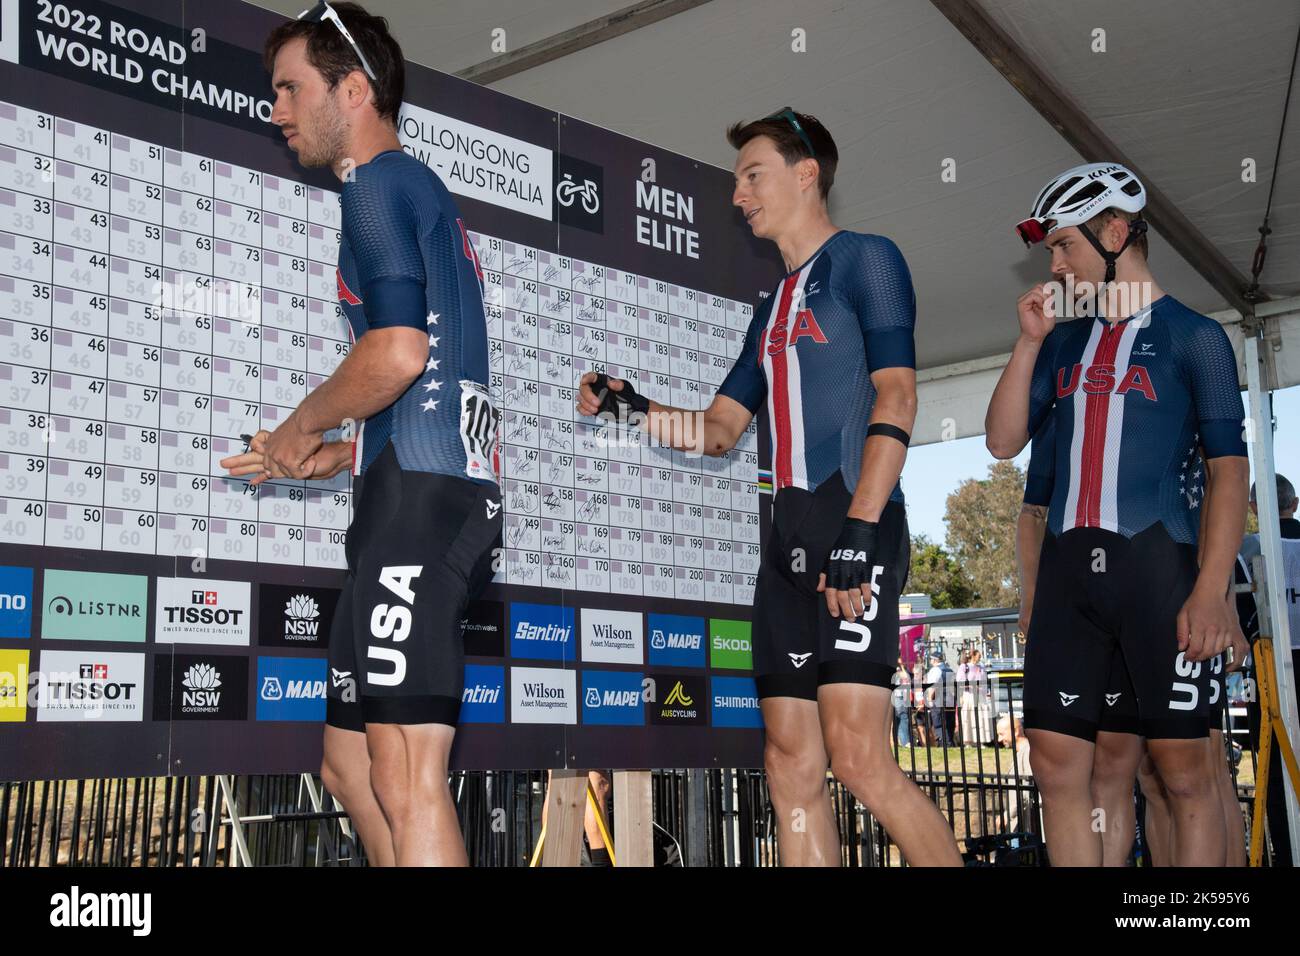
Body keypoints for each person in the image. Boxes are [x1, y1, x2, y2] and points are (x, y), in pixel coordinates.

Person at [576, 110, 960, 866]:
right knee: (789, 764)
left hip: (856, 530)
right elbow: (720, 430)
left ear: (806, 170)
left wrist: (859, 530)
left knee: (858, 758)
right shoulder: (772, 307)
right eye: (736, 182)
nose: (738, 195)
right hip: (785, 548)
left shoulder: (866, 261)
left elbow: (898, 397)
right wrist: (634, 404)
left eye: (753, 175)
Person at [223, 2, 503, 866]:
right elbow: (425, 383)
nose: (277, 112)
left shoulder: (377, 183)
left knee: (405, 768)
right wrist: (328, 457)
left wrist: (293, 427)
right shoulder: (404, 188)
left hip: (421, 509)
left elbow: (396, 352)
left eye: (290, 89)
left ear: (354, 89)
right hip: (410, 493)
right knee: (350, 766)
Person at [987, 162, 1249, 866]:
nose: (1054, 263)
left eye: (1064, 245)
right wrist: (1029, 343)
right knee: (1056, 767)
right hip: (1073, 579)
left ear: (1115, 232)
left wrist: (1211, 589)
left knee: (1184, 773)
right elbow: (1003, 441)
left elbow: (1230, 474)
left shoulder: (1198, 338)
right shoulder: (1064, 340)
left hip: (1161, 573)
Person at [1234, 474, 1300, 865]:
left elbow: (1239, 618)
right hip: (1275, 662)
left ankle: (1287, 853)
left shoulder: (1245, 549)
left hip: (1269, 667)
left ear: (1254, 509)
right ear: (1294, 503)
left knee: (1273, 773)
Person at [891, 661, 913, 748]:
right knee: (902, 718)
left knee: (898, 720)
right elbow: (905, 676)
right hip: (898, 697)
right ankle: (905, 742)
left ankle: (897, 742)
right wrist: (901, 665)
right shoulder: (897, 670)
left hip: (900, 697)